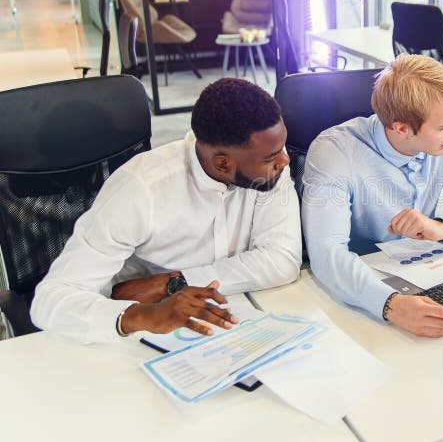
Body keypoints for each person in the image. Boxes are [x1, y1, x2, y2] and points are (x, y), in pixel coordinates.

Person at [31, 78, 301, 344]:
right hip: (139, 332)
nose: (285, 160)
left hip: (236, 319)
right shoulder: (140, 189)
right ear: (222, 164)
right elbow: (50, 300)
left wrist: (173, 283)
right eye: (272, 157)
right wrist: (141, 315)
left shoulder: (269, 163)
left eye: (281, 148)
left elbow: (282, 259)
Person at [302, 54, 443, 338]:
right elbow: (327, 252)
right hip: (360, 285)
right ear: (402, 128)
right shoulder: (334, 151)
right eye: (442, 127)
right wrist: (389, 304)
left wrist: (441, 228)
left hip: (426, 270)